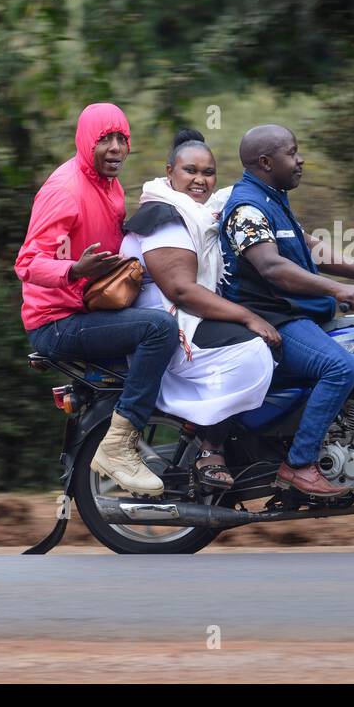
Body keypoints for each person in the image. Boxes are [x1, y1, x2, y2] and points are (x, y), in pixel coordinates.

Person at [15, 103, 177, 496]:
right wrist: (73, 270)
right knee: (160, 329)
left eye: (122, 138)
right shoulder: (64, 191)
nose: (116, 147)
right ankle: (119, 447)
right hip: (56, 323)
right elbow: (27, 262)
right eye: (105, 139)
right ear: (87, 141)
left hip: (88, 307)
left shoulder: (111, 186)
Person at [219, 124, 354, 497]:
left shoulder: (272, 198)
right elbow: (273, 268)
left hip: (295, 313)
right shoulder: (247, 208)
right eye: (292, 152)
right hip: (272, 318)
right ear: (266, 161)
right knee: (339, 367)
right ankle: (300, 465)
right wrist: (339, 289)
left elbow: (308, 248)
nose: (300, 159)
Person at [120, 130, 280, 488]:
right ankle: (211, 447)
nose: (199, 179)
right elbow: (182, 291)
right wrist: (248, 317)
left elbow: (250, 208)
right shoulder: (164, 217)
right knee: (252, 349)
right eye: (190, 170)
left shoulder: (200, 213)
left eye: (208, 172)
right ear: (170, 172)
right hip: (171, 328)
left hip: (184, 320)